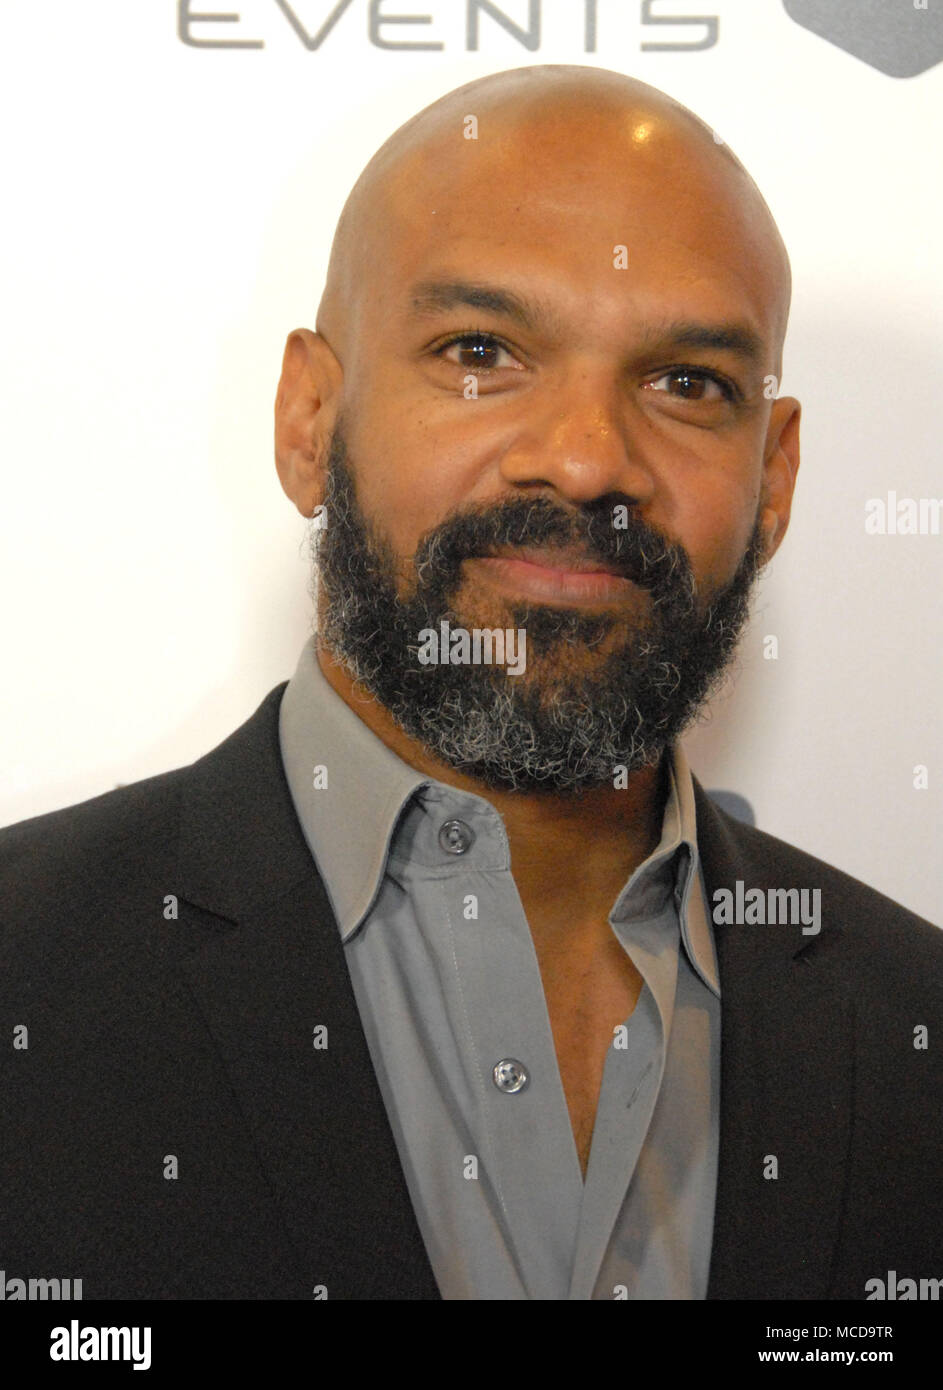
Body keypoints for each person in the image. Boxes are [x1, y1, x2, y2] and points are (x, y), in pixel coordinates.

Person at [1, 65, 940, 1303]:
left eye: (686, 383)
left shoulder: (915, 1029)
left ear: (773, 483)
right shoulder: (30, 973)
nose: (588, 457)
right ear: (307, 420)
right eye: (481, 353)